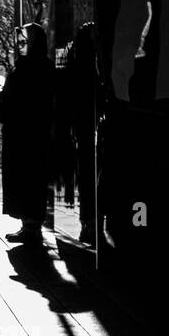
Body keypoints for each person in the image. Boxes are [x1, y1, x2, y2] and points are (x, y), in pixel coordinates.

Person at [0, 23, 55, 243]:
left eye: (23, 42)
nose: (20, 46)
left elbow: (8, 104)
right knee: (33, 179)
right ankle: (31, 224)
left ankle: (29, 226)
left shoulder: (24, 70)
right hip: (35, 134)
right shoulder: (46, 68)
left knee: (25, 179)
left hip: (22, 134)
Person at [67, 22, 102, 244]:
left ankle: (87, 223)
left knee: (86, 180)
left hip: (80, 133)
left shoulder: (73, 68)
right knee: (94, 178)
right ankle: (93, 222)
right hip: (92, 131)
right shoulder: (93, 71)